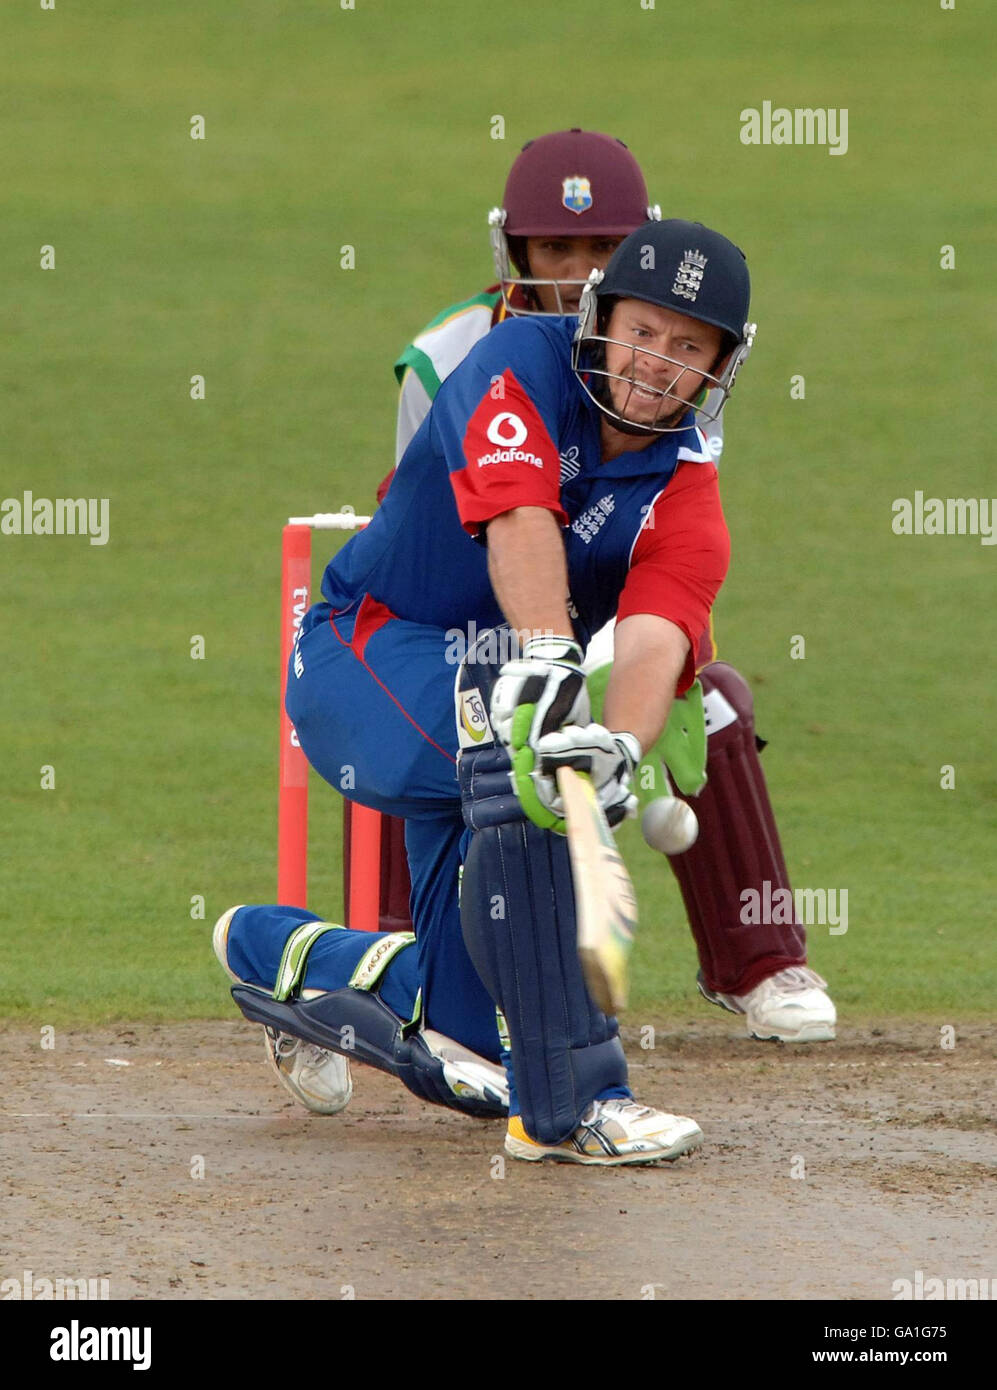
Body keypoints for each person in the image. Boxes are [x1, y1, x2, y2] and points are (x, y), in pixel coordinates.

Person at [215, 218, 756, 1165]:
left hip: (488, 705)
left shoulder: (688, 493)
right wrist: (549, 664)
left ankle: (275, 952)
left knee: (460, 1047)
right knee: (524, 753)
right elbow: (518, 517)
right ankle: (580, 1106)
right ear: (597, 320)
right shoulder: (517, 361)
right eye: (641, 329)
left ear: (718, 368)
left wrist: (620, 748)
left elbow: (654, 638)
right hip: (364, 653)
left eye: (687, 347)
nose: (655, 362)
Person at [360, 128, 837, 1045]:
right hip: (469, 598)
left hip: (604, 597)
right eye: (556, 248)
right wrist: (524, 653)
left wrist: (623, 681)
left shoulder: (672, 352)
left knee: (716, 704)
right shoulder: (445, 352)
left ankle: (762, 964)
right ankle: (399, 958)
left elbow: (668, 535)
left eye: (602, 249)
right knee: (421, 710)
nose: (580, 272)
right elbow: (416, 512)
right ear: (514, 249)